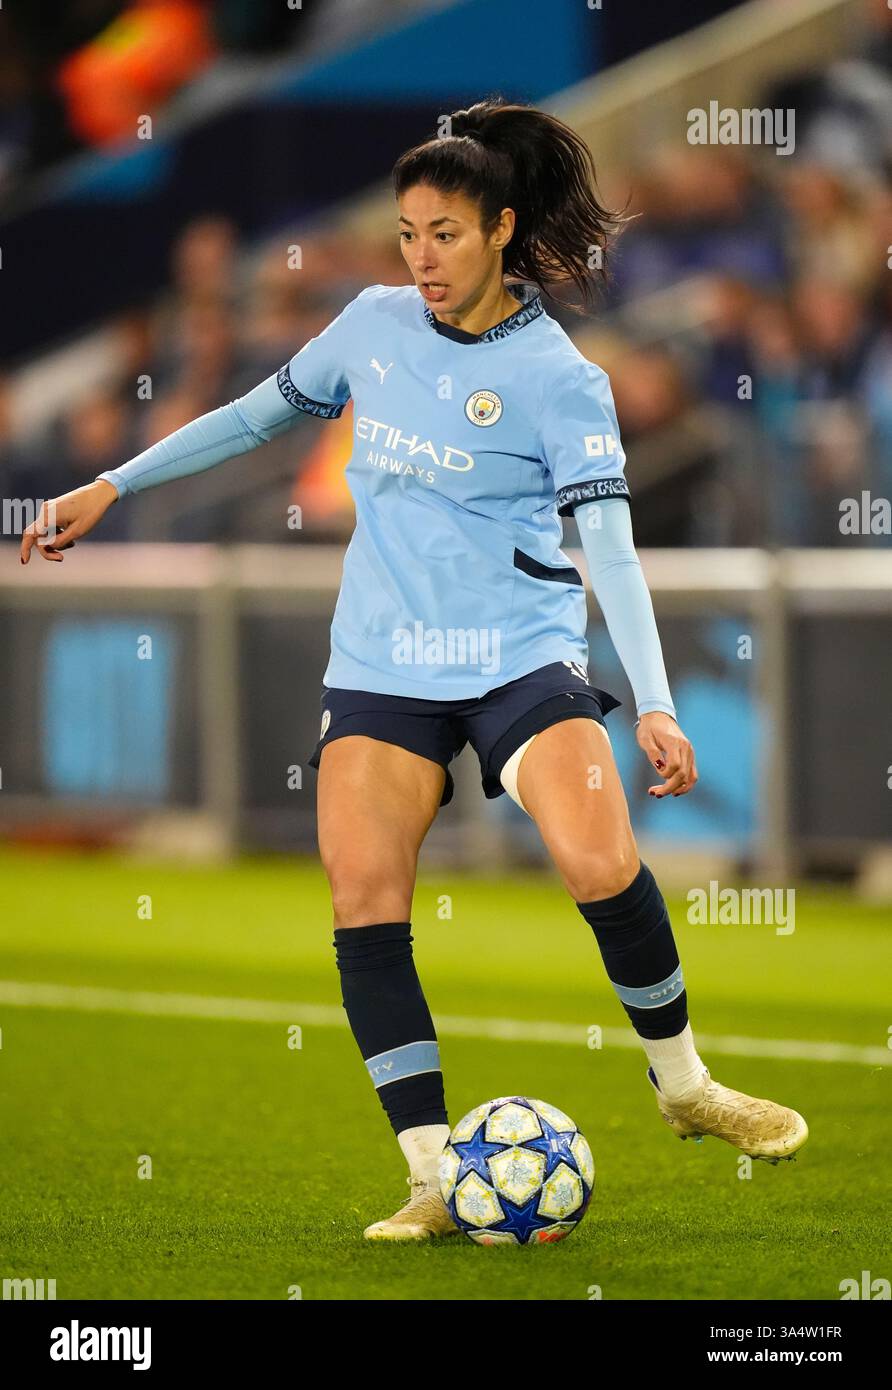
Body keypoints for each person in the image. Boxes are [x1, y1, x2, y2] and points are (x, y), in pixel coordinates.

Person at [20, 99, 808, 1241]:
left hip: (518, 656)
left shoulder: (561, 379)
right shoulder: (372, 325)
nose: (420, 258)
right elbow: (249, 418)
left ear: (498, 227)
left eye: (442, 233)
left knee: (600, 859)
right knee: (364, 900)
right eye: (405, 234)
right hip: (385, 664)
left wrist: (656, 703)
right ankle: (436, 1173)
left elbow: (612, 550)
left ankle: (682, 1083)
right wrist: (112, 485)